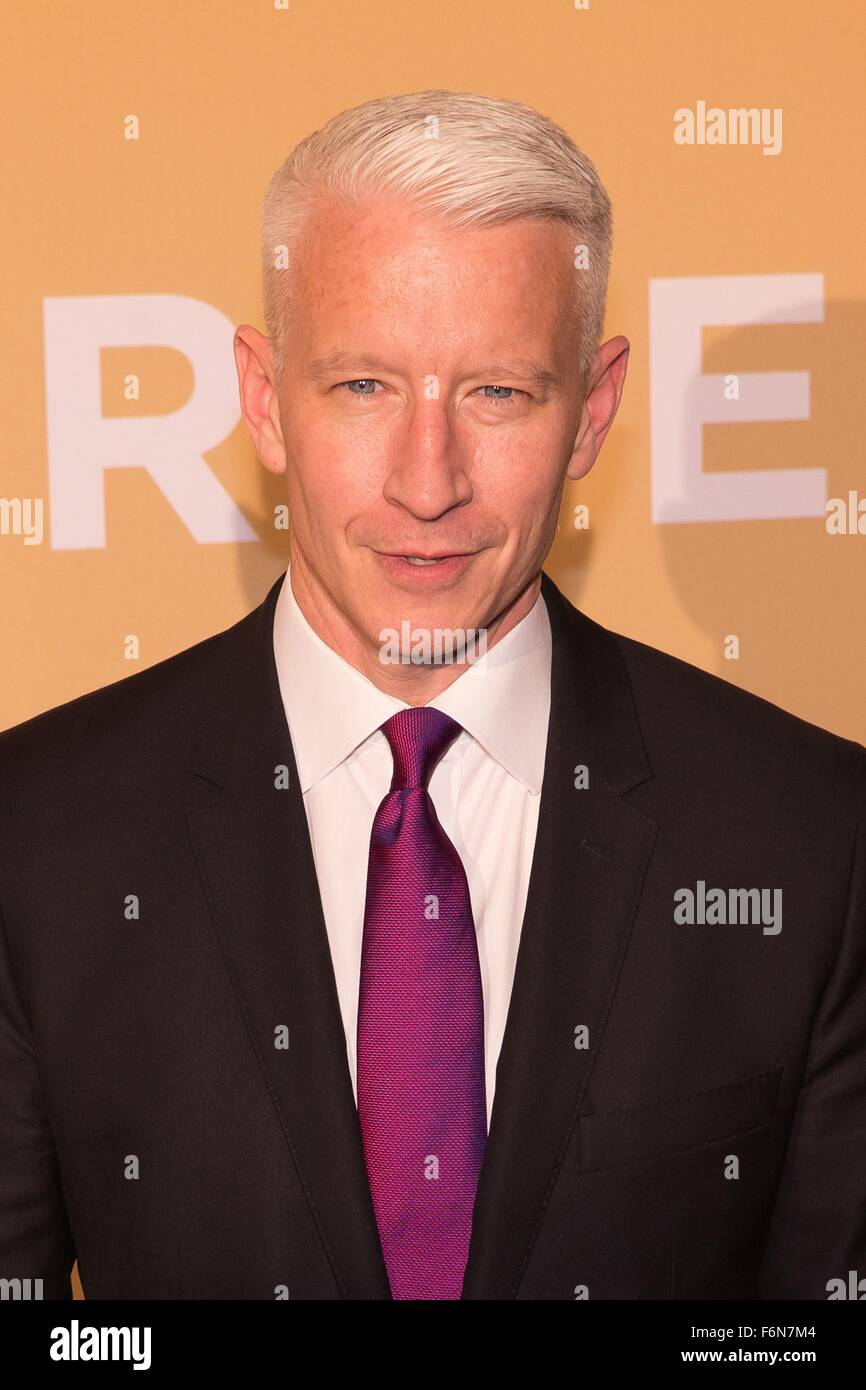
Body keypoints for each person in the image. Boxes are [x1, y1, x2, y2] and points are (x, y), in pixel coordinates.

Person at [1, 89, 864, 1302]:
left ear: (591, 412)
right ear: (262, 396)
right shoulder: (38, 837)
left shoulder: (810, 839)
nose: (427, 482)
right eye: (362, 387)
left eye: (496, 393)